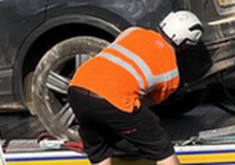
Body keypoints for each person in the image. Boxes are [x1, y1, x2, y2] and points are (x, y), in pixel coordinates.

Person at [67, 11, 204, 165]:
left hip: (76, 89)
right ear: (186, 44)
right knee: (161, 146)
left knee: (99, 151)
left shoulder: (133, 32)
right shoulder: (171, 73)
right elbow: (146, 103)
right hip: (112, 99)